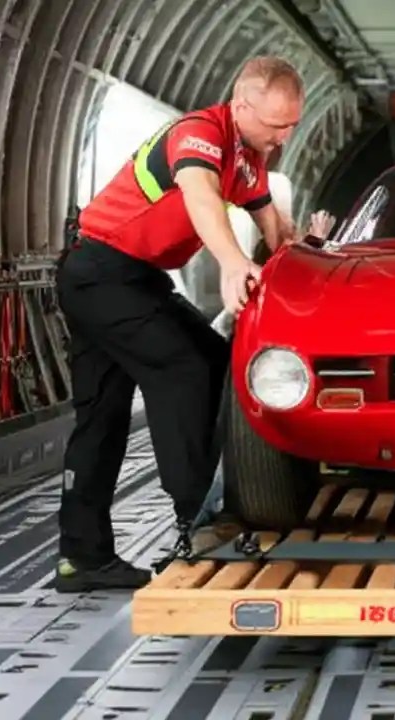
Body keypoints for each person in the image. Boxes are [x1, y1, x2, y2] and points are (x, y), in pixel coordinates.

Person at [52, 56, 305, 592]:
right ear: (241, 106)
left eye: (293, 125)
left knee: (107, 414)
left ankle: (82, 558)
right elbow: (201, 198)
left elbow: (274, 227)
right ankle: (199, 518)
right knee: (188, 367)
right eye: (276, 124)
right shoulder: (198, 134)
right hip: (101, 274)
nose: (284, 136)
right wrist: (234, 263)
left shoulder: (249, 155)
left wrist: (305, 256)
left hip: (132, 278)